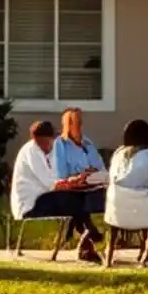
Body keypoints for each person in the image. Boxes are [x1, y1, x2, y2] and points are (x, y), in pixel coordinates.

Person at [104, 119, 148, 267]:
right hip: (142, 210)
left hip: (116, 209)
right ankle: (147, 255)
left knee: (145, 199)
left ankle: (108, 257)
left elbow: (111, 179)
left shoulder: (118, 154)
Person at [11, 121, 105, 227]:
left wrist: (79, 179)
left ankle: (87, 232)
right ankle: (87, 232)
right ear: (34, 139)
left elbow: (59, 177)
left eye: (48, 143)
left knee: (82, 197)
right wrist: (74, 182)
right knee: (67, 199)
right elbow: (50, 184)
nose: (45, 147)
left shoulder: (54, 150)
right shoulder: (30, 151)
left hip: (46, 197)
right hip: (31, 205)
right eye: (41, 143)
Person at [52, 107, 107, 261]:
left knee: (90, 198)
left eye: (80, 122)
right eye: (74, 123)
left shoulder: (88, 143)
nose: (79, 126)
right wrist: (78, 176)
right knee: (77, 201)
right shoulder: (60, 145)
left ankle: (87, 239)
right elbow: (61, 173)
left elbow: (100, 167)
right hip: (71, 188)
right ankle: (90, 234)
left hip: (93, 185)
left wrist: (91, 172)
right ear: (67, 125)